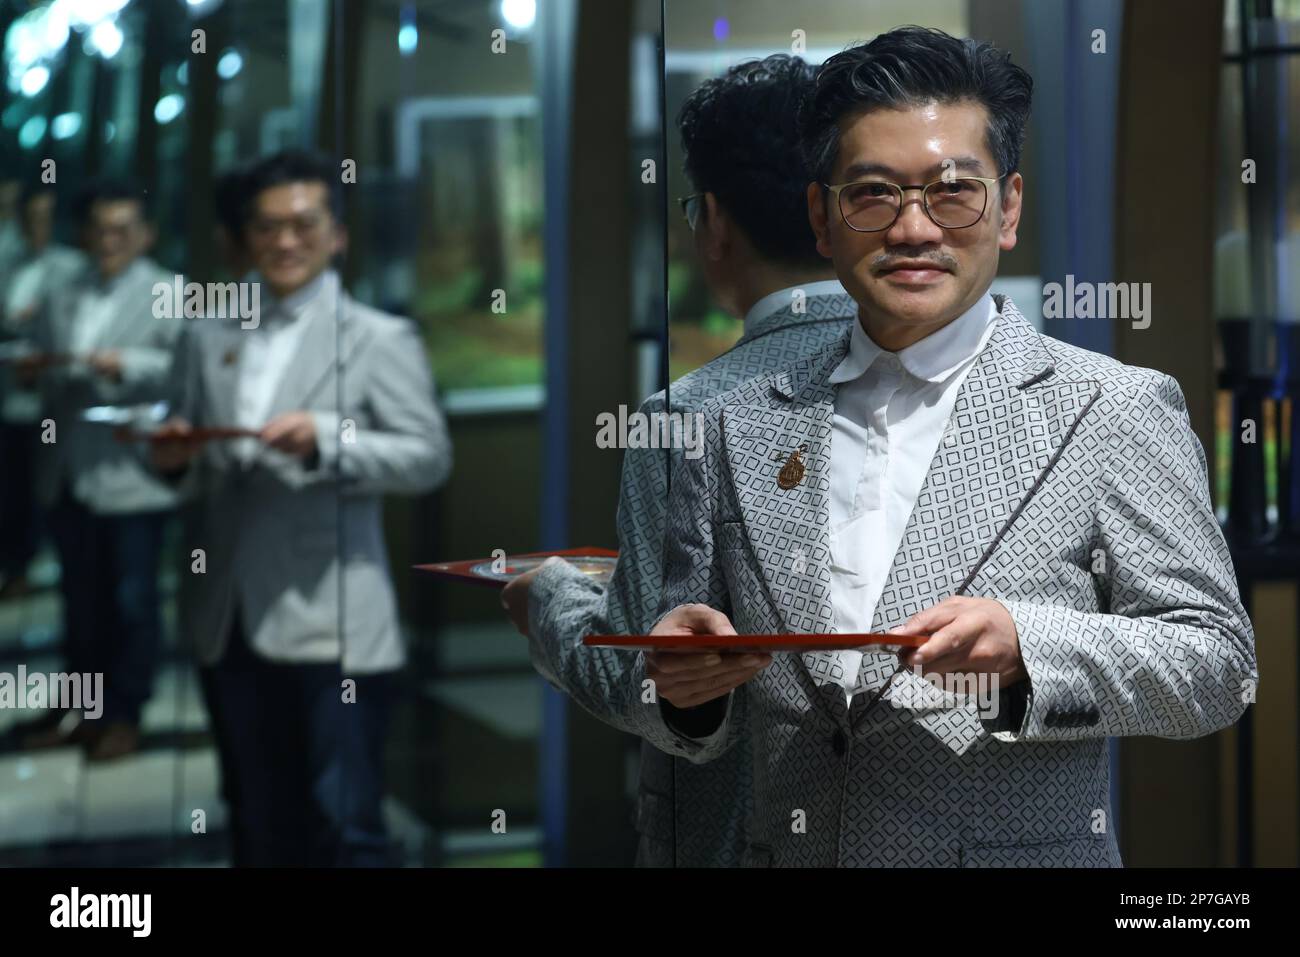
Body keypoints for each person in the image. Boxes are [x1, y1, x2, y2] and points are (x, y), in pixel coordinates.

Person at [631, 26, 1257, 867]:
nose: (915, 228)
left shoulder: (1112, 407)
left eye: (954, 191)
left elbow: (1218, 663)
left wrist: (1030, 645)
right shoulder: (735, 419)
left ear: (1009, 209)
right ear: (822, 215)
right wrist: (689, 694)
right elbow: (702, 704)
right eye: (873, 194)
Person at [500, 55, 856, 866]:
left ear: (714, 225)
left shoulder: (686, 417)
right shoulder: (963, 385)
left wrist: (548, 602)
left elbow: (644, 674)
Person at [152, 150, 451, 866]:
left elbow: (427, 455)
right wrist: (172, 458)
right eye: (268, 227)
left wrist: (326, 439)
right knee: (257, 823)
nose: (286, 241)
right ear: (245, 237)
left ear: (336, 234)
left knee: (346, 827)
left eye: (304, 225)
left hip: (334, 618)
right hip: (227, 612)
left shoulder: (379, 337)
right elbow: (186, 456)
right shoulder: (205, 333)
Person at [22, 180, 180, 760]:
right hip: (68, 467)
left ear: (146, 234)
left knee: (133, 601)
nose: (109, 241)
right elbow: (37, 352)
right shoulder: (63, 291)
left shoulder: (172, 291)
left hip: (133, 471)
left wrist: (126, 365)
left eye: (122, 230)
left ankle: (125, 713)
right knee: (79, 601)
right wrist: (33, 367)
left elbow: (189, 370)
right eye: (99, 229)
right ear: (84, 233)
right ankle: (82, 710)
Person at [0, 184, 86, 599]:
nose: (37, 228)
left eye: (44, 219)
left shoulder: (71, 268)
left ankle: (36, 560)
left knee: (41, 482)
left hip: (49, 398)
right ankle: (17, 564)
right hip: (11, 393)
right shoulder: (12, 262)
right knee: (13, 481)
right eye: (29, 219)